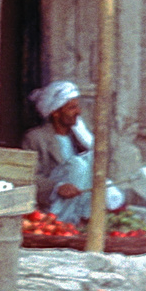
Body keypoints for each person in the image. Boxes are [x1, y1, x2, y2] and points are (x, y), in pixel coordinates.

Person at [21, 81, 124, 223]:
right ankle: (63, 222)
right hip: (54, 207)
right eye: (72, 108)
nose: (78, 112)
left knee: (91, 159)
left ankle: (89, 220)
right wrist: (57, 188)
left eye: (77, 107)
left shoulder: (79, 137)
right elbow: (28, 178)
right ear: (55, 112)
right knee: (78, 164)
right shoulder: (35, 138)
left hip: (83, 203)